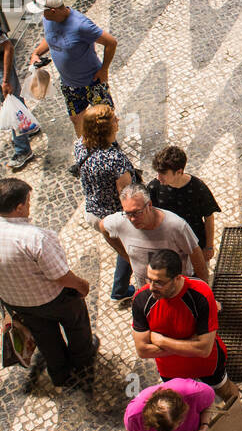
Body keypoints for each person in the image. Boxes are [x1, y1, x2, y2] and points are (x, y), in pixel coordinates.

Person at [0, 177, 96, 386]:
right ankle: (83, 360)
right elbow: (59, 275)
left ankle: (60, 373)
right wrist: (82, 285)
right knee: (77, 326)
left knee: (45, 337)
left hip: (17, 302)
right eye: (27, 201)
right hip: (54, 299)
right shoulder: (36, 238)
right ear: (18, 208)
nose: (29, 204)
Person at [131, 247, 241, 406]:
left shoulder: (200, 294)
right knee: (183, 407)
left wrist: (161, 341)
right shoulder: (142, 299)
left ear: (177, 278)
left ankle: (240, 422)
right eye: (149, 279)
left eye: (159, 282)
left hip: (207, 365)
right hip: (171, 371)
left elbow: (204, 350)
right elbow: (142, 350)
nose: (151, 287)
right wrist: (190, 343)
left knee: (227, 392)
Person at [27, 0, 117, 142]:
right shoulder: (48, 19)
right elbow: (49, 37)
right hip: (69, 84)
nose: (41, 15)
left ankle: (111, 150)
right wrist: (36, 53)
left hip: (93, 82)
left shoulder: (81, 25)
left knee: (106, 121)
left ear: (53, 10)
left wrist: (104, 69)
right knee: (76, 119)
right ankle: (85, 151)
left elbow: (111, 42)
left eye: (43, 11)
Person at [74, 102, 135, 305]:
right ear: (108, 128)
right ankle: (124, 291)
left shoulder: (80, 145)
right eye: (114, 119)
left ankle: (120, 289)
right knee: (133, 252)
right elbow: (126, 196)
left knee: (124, 249)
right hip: (113, 218)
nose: (118, 120)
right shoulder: (115, 160)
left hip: (93, 211)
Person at [100, 183, 207, 289]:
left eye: (137, 212)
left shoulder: (176, 226)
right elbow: (103, 227)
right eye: (128, 213)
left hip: (176, 290)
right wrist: (125, 255)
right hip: (146, 290)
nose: (132, 219)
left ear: (149, 205)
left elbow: (196, 256)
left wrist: (205, 292)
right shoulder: (120, 222)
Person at [147, 145, 220, 262]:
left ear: (179, 172)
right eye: (158, 172)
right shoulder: (154, 187)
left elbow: (209, 217)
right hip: (168, 246)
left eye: (163, 173)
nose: (158, 177)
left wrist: (209, 247)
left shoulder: (198, 187)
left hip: (195, 244)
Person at [0, 31, 35, 171]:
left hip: (2, 69)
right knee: (13, 104)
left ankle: (23, 150)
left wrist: (6, 81)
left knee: (12, 105)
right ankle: (28, 127)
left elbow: (8, 47)